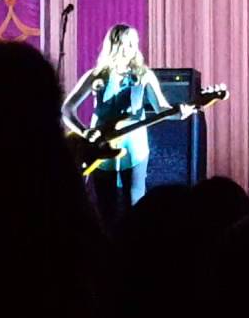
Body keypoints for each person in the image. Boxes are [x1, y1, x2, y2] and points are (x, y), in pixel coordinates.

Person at [62, 23, 192, 224]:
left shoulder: (143, 75)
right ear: (114, 45)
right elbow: (67, 109)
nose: (132, 47)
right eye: (126, 42)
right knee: (106, 208)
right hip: (101, 147)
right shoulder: (96, 75)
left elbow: (161, 109)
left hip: (134, 147)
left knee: (136, 205)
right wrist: (84, 132)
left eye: (134, 43)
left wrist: (181, 112)